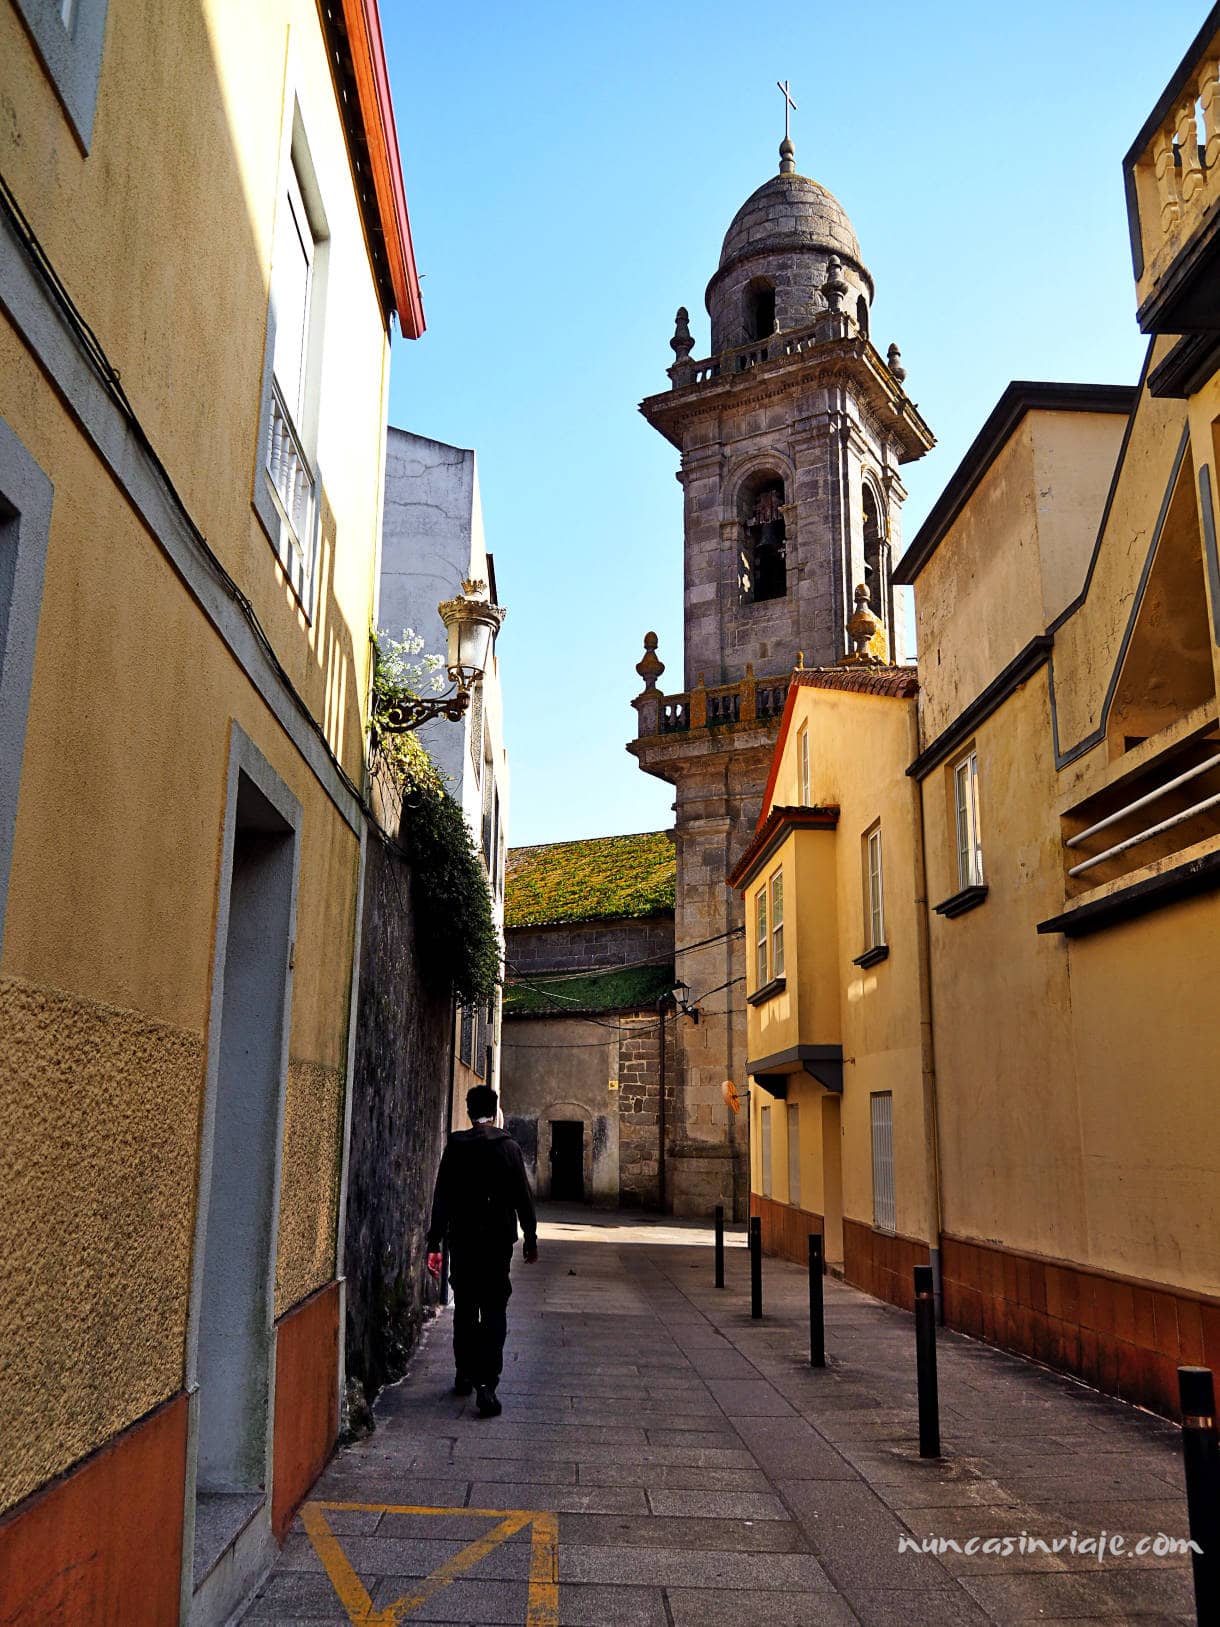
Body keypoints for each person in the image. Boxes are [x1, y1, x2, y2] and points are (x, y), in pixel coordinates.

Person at [426, 1084, 538, 1417]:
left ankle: (464, 1372)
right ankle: (487, 1383)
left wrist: (434, 1242)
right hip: (497, 1244)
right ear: (495, 1110)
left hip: (462, 1241)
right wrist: (530, 1237)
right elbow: (523, 1196)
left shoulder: (456, 1147)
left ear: (469, 1111)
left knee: (465, 1307)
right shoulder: (509, 1148)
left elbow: (442, 1197)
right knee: (493, 1309)